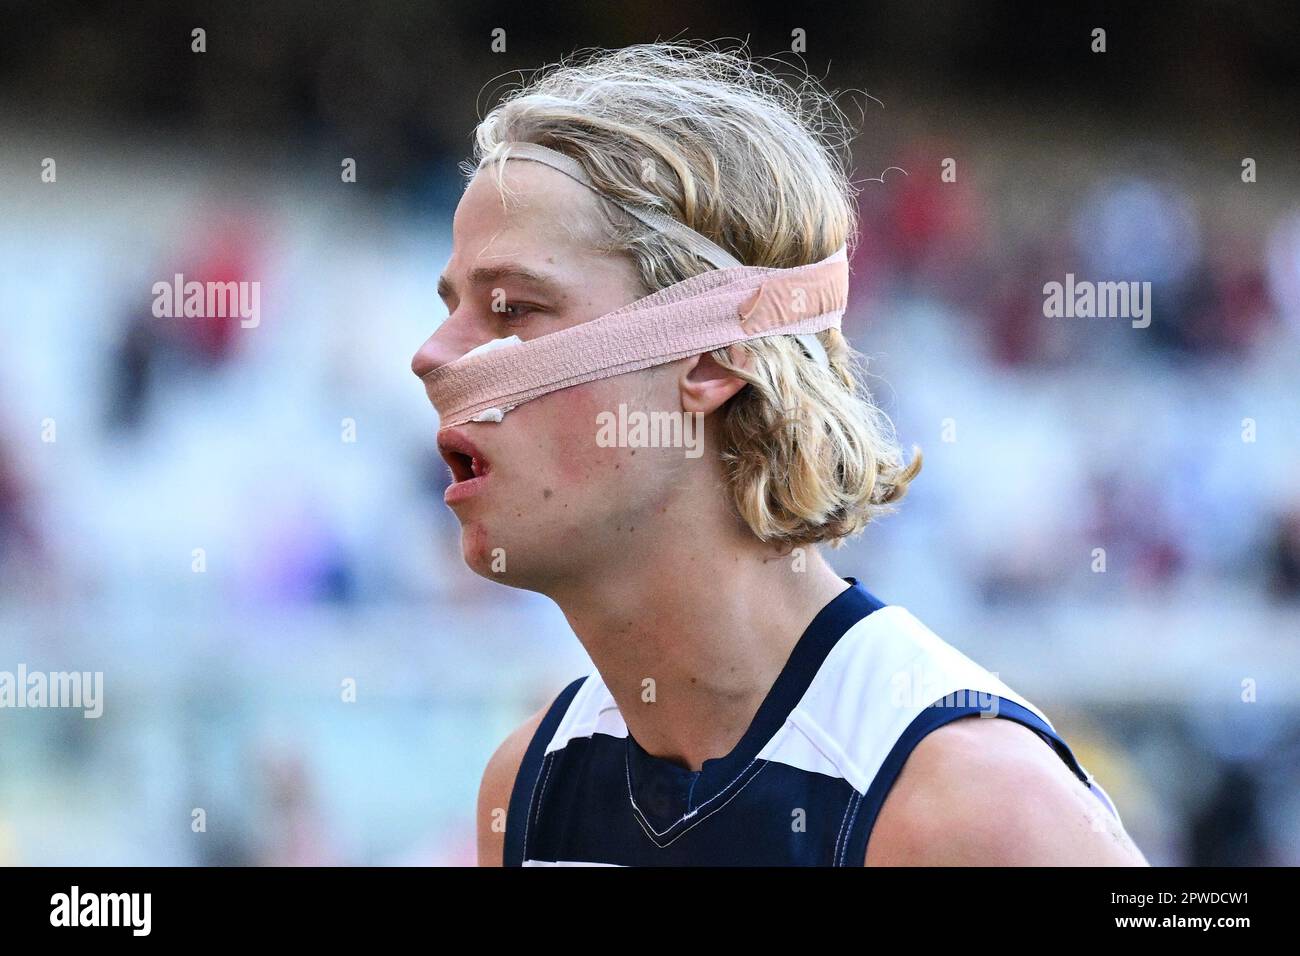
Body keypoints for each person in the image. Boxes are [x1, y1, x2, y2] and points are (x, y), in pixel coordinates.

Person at [411, 42, 1147, 866]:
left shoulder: (973, 806)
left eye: (512, 307)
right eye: (454, 306)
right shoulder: (528, 791)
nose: (433, 355)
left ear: (713, 360)